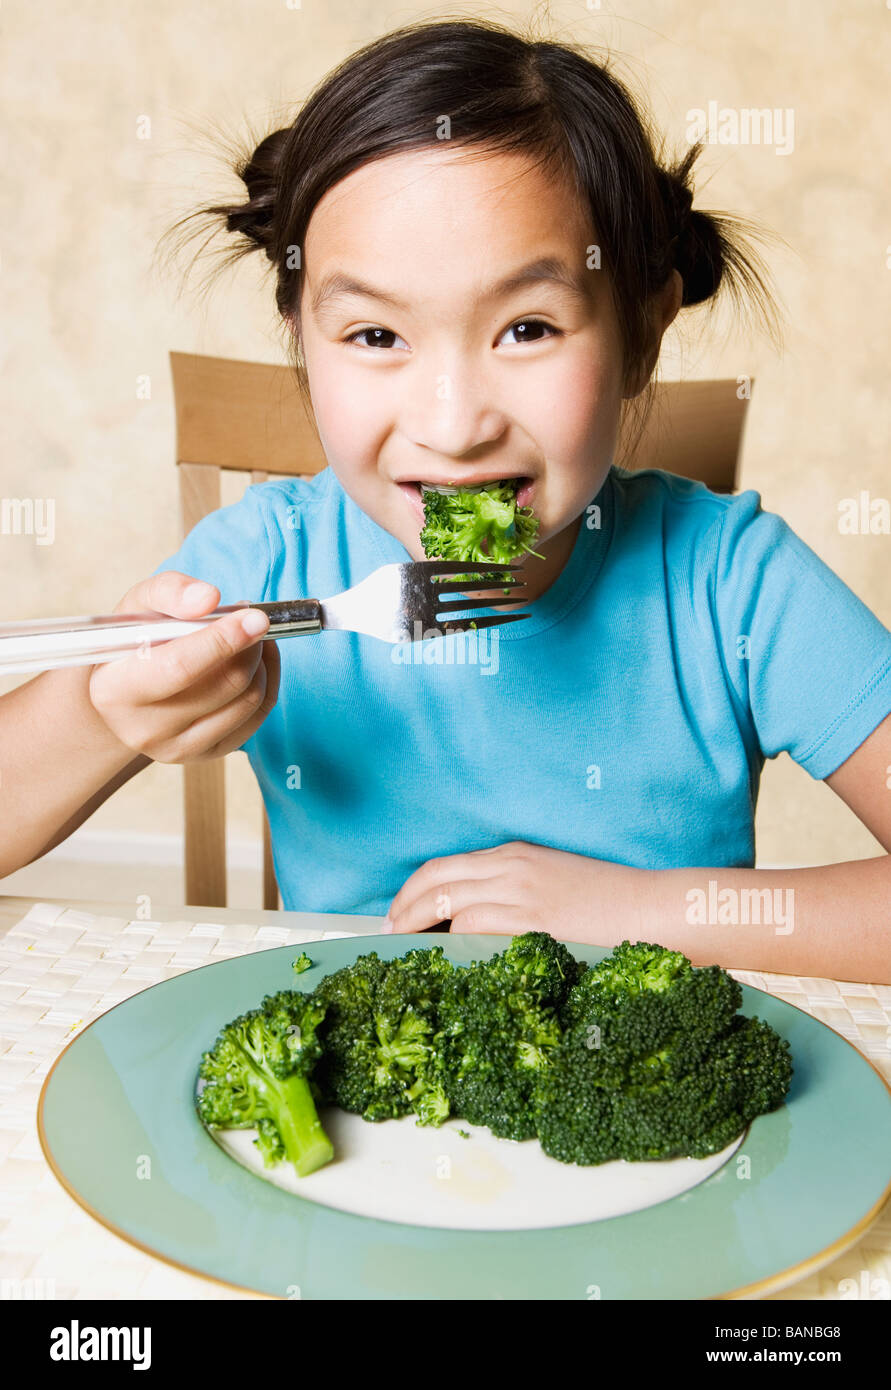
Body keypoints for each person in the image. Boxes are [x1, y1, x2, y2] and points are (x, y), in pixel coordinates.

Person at [6, 19, 889, 981]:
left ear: (640, 332)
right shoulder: (267, 569)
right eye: (377, 337)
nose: (454, 422)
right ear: (301, 340)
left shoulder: (734, 586)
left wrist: (638, 910)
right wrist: (103, 714)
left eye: (527, 327)